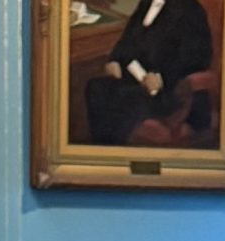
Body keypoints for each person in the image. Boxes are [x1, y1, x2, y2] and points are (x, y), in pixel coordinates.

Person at [82, 0, 214, 148]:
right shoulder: (146, 3)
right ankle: (102, 150)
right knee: (95, 88)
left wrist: (161, 78)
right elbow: (127, 41)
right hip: (136, 79)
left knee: (125, 98)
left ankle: (114, 153)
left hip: (170, 90)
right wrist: (114, 60)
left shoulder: (191, 9)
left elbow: (199, 58)